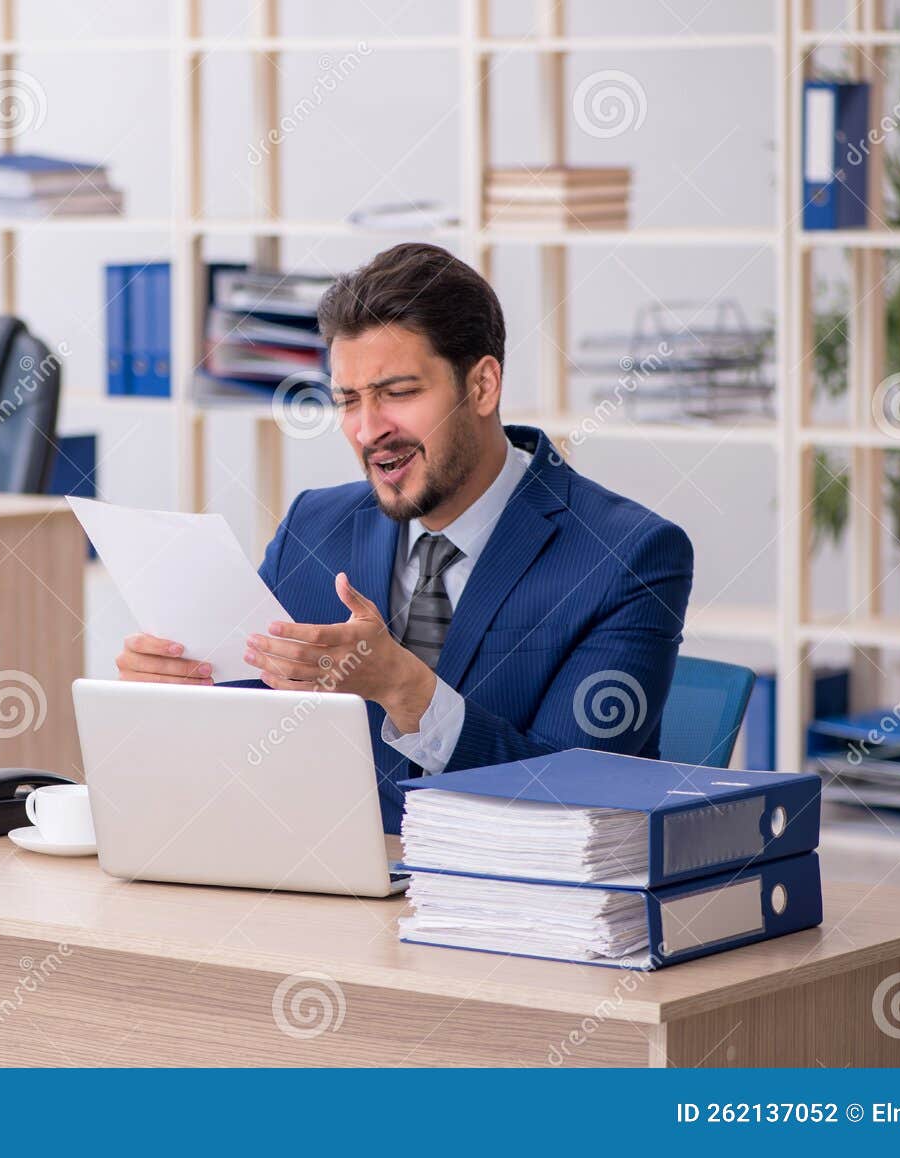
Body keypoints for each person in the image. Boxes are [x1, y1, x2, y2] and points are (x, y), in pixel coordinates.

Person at [115, 242, 694, 833]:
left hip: (512, 908)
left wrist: (405, 689)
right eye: (348, 401)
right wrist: (175, 696)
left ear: (483, 386)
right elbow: (247, 737)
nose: (370, 431)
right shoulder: (314, 528)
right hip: (322, 897)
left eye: (399, 393)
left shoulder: (628, 557)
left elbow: (582, 802)